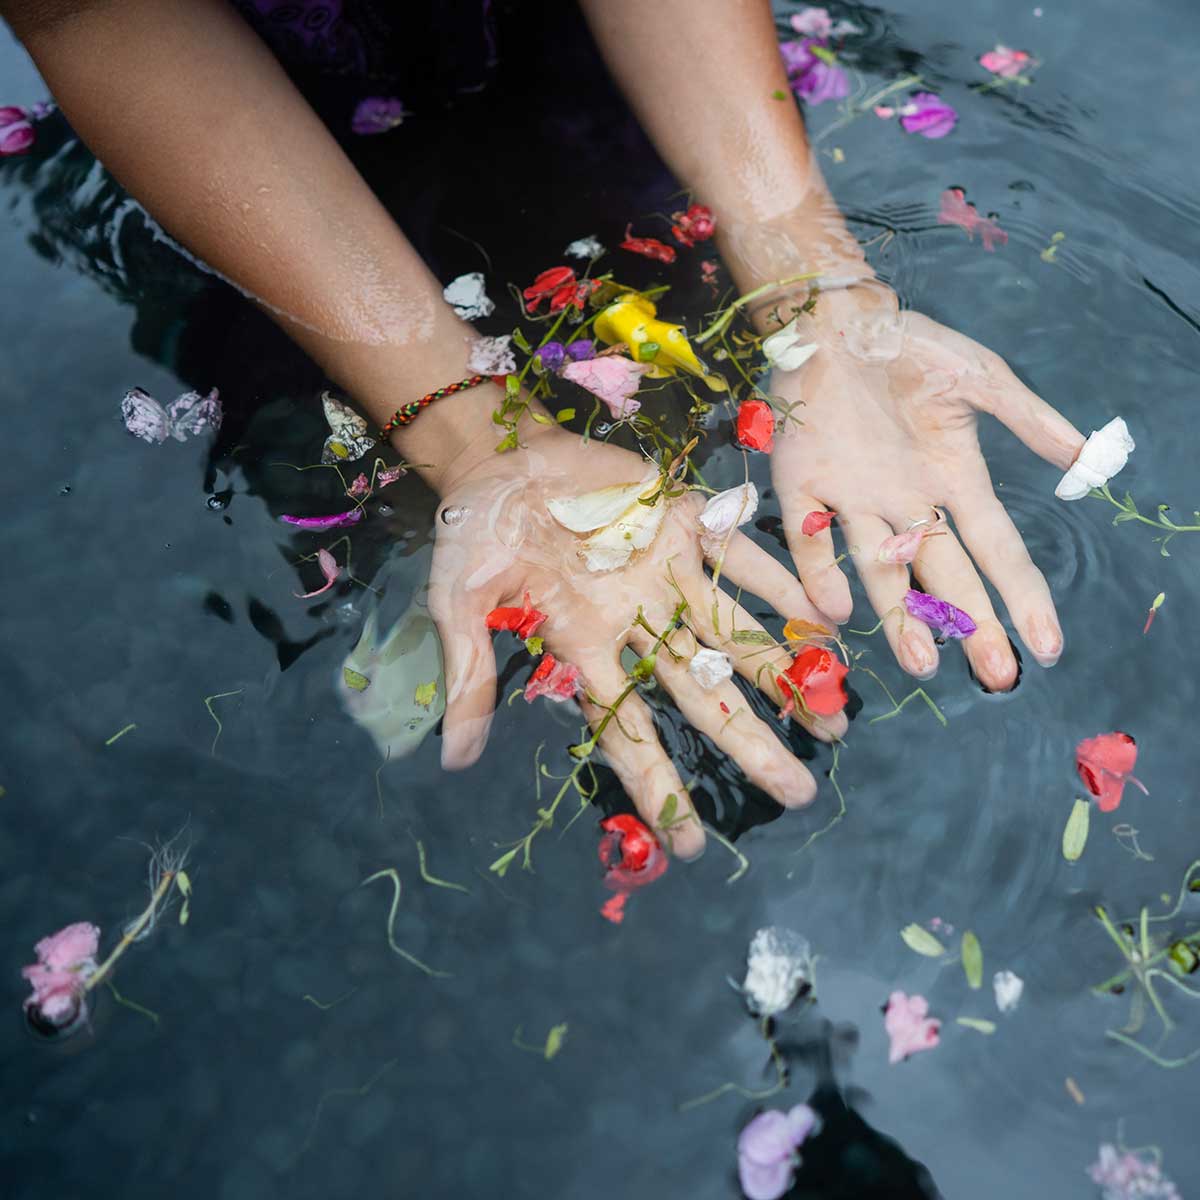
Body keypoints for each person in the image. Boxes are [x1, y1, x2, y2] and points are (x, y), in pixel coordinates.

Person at [2, 0, 1085, 858]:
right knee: (348, 455)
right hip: (218, 90)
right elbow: (86, 9)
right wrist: (467, 441)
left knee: (670, 350)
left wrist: (811, 286)